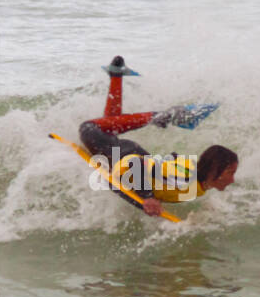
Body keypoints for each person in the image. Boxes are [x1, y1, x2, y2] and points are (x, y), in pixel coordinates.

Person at [78, 56, 238, 216]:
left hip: (133, 153)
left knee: (109, 127)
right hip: (125, 156)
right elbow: (136, 164)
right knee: (87, 128)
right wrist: (148, 197)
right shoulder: (187, 179)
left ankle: (116, 74)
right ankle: (163, 116)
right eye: (230, 173)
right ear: (214, 170)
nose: (232, 180)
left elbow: (172, 159)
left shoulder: (197, 177)